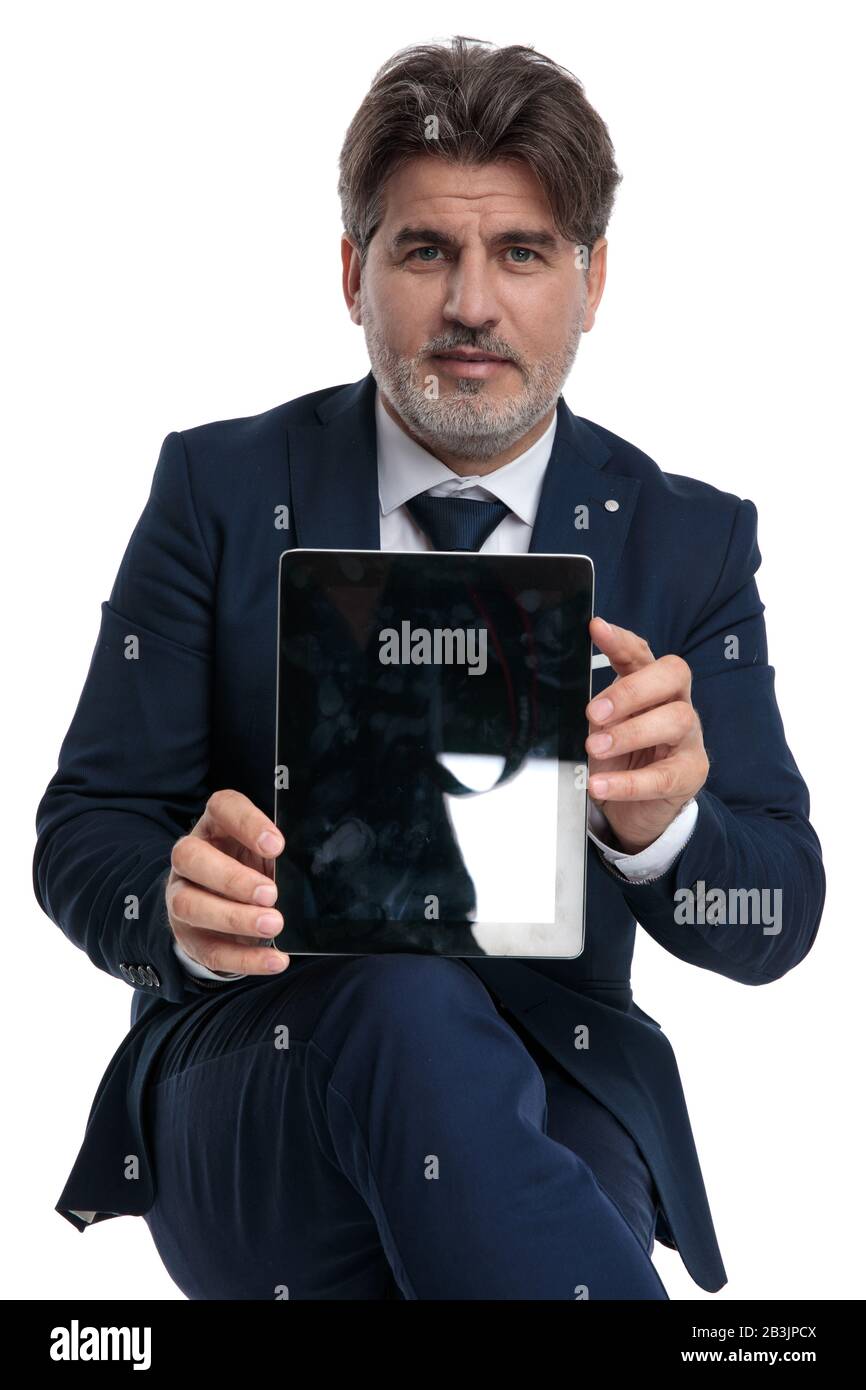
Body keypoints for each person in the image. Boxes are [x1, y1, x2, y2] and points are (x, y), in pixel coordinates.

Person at [33, 36, 825, 1300]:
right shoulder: (220, 490)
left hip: (553, 1078)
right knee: (400, 1003)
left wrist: (663, 829)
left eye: (519, 252)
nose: (470, 304)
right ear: (352, 271)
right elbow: (85, 833)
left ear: (590, 277)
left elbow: (773, 915)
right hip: (258, 1071)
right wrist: (177, 912)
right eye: (424, 251)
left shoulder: (689, 539)